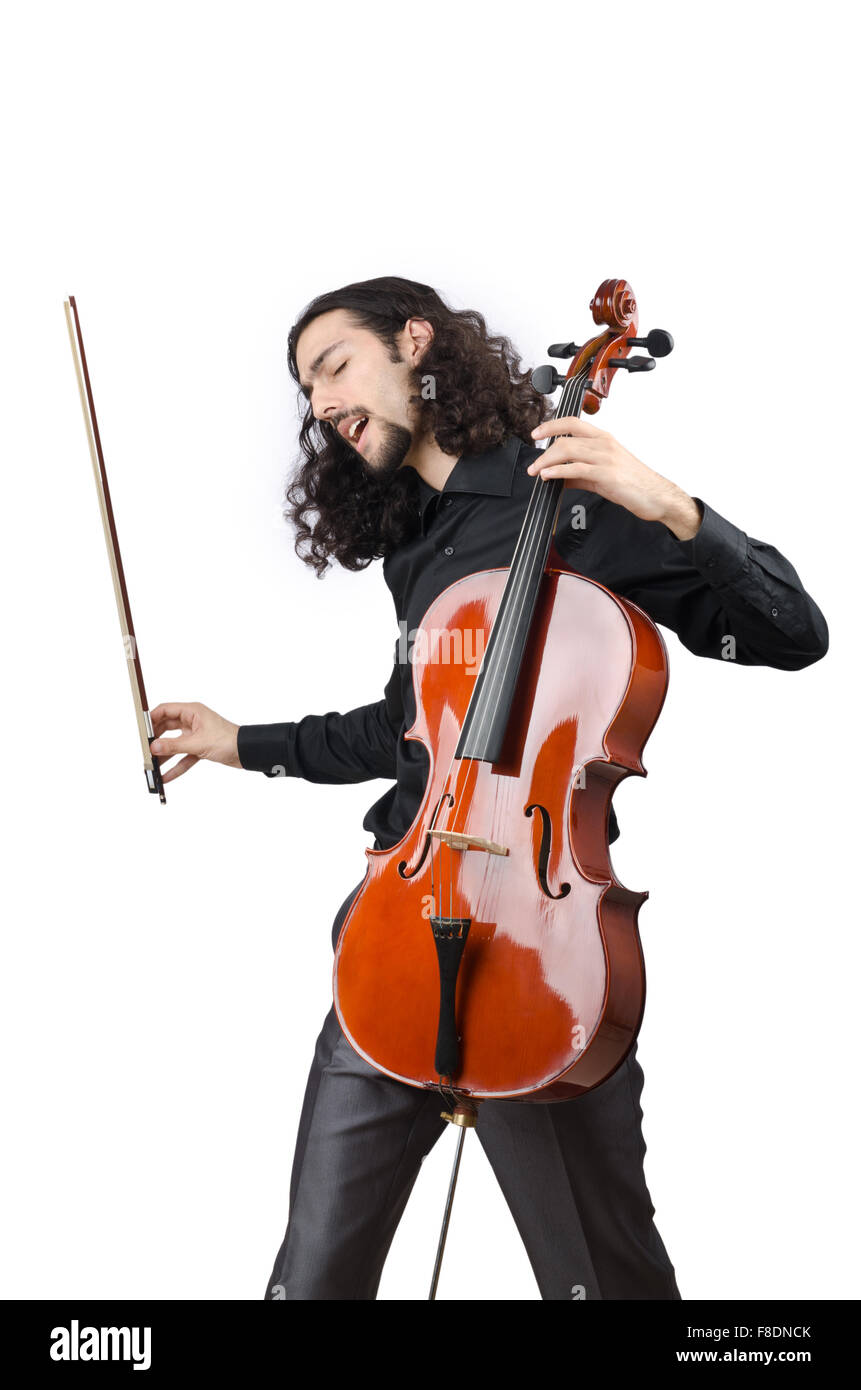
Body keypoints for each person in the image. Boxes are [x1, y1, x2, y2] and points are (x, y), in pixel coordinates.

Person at [149, 277, 828, 1300]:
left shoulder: (572, 495)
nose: (322, 402)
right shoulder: (416, 544)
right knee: (313, 1273)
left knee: (600, 1283)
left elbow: (792, 634)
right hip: (396, 937)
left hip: (540, 964)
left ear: (416, 340)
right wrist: (237, 739)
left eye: (334, 365)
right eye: (307, 391)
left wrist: (673, 505)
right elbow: (409, 730)